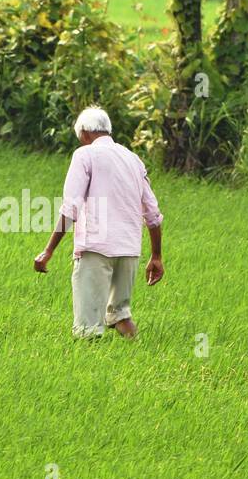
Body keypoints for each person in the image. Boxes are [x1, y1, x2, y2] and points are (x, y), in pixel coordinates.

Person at [33, 107, 163, 339]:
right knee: (121, 317)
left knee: (87, 330)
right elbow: (152, 213)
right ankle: (137, 360)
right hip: (129, 251)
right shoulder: (133, 159)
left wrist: (48, 250)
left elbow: (71, 206)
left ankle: (91, 370)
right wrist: (156, 256)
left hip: (95, 249)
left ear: (84, 134)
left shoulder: (85, 155)